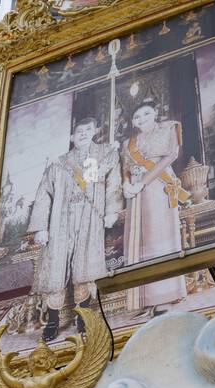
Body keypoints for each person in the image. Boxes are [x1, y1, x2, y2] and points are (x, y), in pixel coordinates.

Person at [27, 116, 123, 341]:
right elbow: (43, 195)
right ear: (72, 136)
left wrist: (112, 211)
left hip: (90, 216)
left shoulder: (106, 156)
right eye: (79, 130)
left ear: (95, 131)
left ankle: (83, 317)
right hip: (61, 218)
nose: (83, 133)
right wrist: (41, 227)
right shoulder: (58, 164)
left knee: (85, 264)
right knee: (56, 266)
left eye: (88, 129)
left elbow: (114, 185)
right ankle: (52, 321)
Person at [121, 99, 189, 314]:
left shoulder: (169, 128)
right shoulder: (128, 143)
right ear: (132, 121)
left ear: (155, 113)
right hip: (136, 193)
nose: (142, 119)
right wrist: (126, 183)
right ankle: (142, 299)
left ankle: (164, 297)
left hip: (159, 186)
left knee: (159, 237)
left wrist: (144, 180)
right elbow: (126, 167)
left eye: (146, 113)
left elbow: (171, 156)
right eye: (137, 116)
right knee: (139, 240)